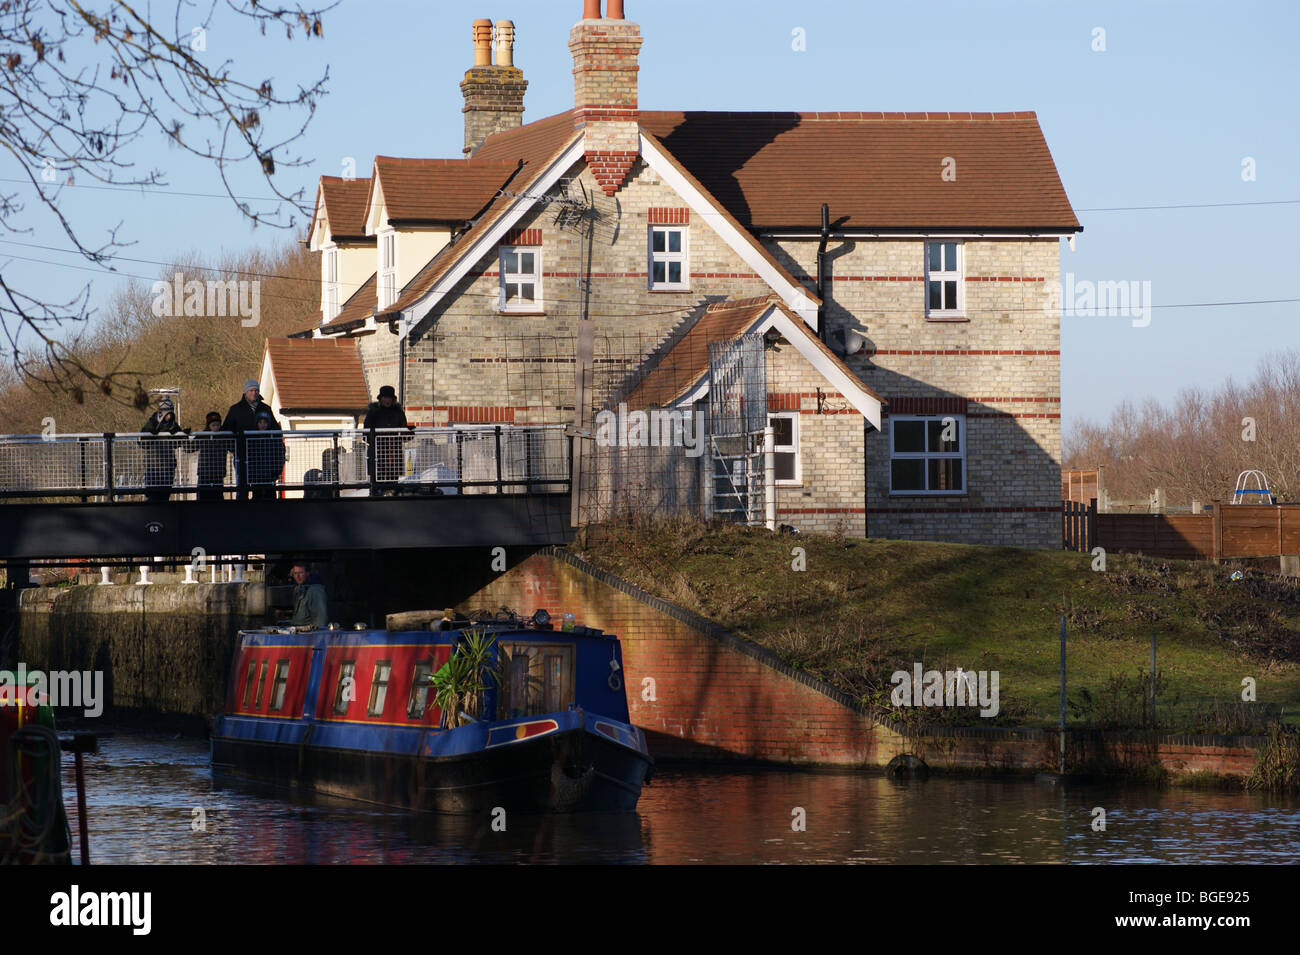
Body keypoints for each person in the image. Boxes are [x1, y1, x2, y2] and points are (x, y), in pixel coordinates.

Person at [221, 379, 280, 499]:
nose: (254, 393)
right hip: (243, 456)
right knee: (243, 486)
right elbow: (225, 432)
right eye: (251, 390)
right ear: (245, 392)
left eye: (256, 390)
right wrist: (235, 449)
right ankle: (242, 512)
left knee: (264, 487)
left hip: (263, 456)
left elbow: (276, 432)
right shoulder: (235, 410)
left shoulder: (266, 409)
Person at [362, 384, 414, 493]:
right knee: (376, 479)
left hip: (393, 451)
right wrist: (375, 440)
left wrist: (409, 431)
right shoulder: (373, 412)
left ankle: (392, 496)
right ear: (380, 399)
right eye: (385, 397)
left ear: (393, 399)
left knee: (393, 479)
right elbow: (365, 433)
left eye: (389, 398)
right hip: (378, 451)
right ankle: (376, 494)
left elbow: (404, 435)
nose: (387, 400)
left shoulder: (398, 412)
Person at [140, 397, 188, 502]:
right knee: (152, 494)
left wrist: (183, 435)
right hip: (153, 465)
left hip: (168, 465)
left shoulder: (173, 425)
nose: (169, 415)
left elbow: (176, 444)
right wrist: (151, 432)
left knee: (165, 495)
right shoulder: (152, 422)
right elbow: (142, 443)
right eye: (167, 412)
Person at [246, 410, 286, 500]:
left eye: (265, 422)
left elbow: (280, 456)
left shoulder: (274, 438)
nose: (263, 425)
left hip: (270, 475)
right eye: (260, 422)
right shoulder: (251, 439)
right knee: (257, 497)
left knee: (271, 497)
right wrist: (251, 473)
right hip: (256, 476)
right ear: (257, 424)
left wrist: (277, 471)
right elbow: (248, 457)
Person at [193, 411, 229, 502]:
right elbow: (190, 448)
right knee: (203, 497)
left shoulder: (223, 436)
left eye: (218, 425)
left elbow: (232, 447)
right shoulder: (203, 436)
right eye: (213, 425)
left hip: (218, 473)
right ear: (208, 426)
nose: (216, 428)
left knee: (218, 496)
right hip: (204, 473)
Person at [289, 563, 328, 628]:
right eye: (295, 573)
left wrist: (317, 636)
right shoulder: (298, 589)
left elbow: (321, 618)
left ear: (307, 573)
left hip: (309, 635)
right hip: (298, 633)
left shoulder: (315, 591)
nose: (297, 576)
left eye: (301, 573)